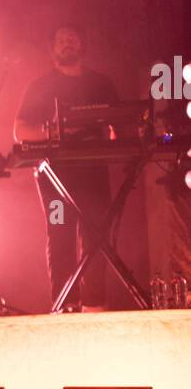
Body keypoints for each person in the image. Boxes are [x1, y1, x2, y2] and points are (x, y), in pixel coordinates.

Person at [14, 25, 119, 311]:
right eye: (61, 40)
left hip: (93, 173)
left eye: (72, 38)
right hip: (54, 177)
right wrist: (55, 133)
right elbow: (20, 130)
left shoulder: (101, 83)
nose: (67, 44)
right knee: (60, 235)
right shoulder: (40, 86)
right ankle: (65, 305)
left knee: (96, 236)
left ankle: (95, 305)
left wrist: (114, 139)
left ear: (82, 45)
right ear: (53, 49)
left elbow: (120, 125)